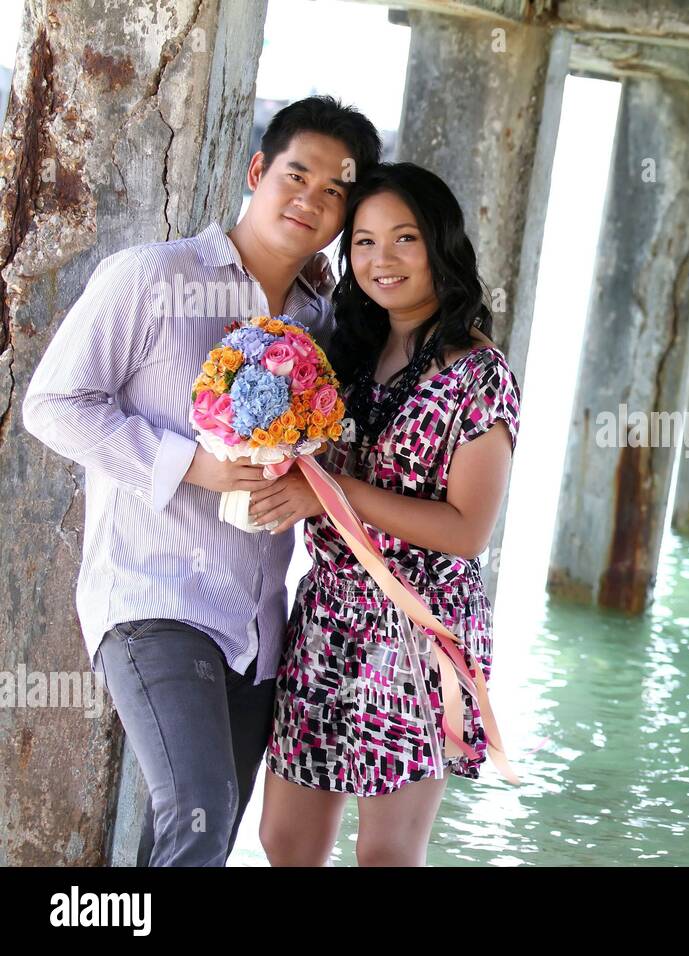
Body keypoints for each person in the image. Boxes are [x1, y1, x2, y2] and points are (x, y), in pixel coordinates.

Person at [21, 96, 382, 866]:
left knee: (199, 839)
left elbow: (329, 456)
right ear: (258, 171)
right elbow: (52, 405)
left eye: (334, 193)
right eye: (297, 175)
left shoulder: (321, 325)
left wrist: (311, 489)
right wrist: (190, 464)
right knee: (197, 812)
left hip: (257, 627)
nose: (310, 201)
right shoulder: (153, 277)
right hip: (153, 598)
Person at [253, 162, 521, 867]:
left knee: (388, 853)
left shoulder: (478, 373)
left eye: (404, 238)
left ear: (441, 245)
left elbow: (467, 532)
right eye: (364, 243)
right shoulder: (349, 346)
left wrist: (330, 496)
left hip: (418, 624)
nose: (383, 260)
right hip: (327, 613)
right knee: (284, 837)